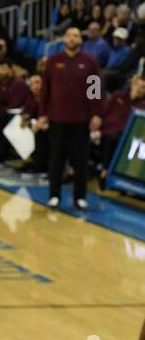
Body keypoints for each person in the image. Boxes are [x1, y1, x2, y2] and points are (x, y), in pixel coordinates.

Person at [40, 26, 100, 211]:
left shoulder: (89, 62)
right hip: (57, 118)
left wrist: (96, 113)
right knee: (56, 159)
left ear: (81, 40)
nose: (72, 38)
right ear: (64, 39)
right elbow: (45, 90)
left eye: (76, 35)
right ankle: (54, 196)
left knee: (80, 160)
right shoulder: (53, 61)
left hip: (81, 119)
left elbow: (95, 90)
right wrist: (43, 114)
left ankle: (80, 197)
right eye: (69, 35)